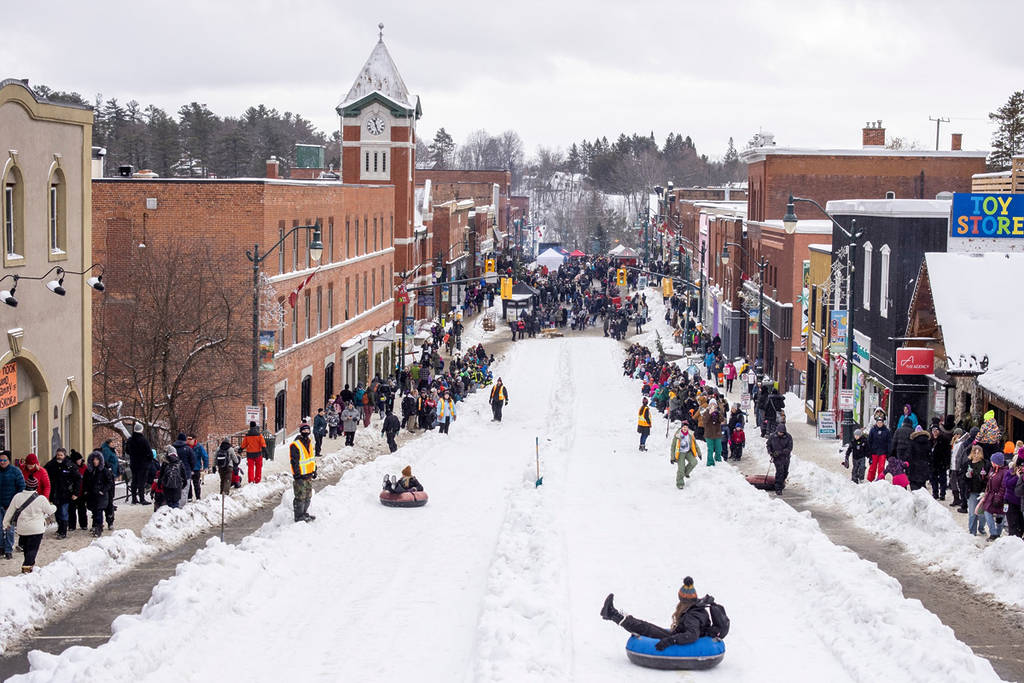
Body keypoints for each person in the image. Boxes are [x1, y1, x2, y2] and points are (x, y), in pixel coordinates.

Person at [599, 577, 729, 649]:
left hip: (678, 638)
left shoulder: (692, 615)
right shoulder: (695, 609)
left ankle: (612, 614)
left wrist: (669, 641)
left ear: (684, 601)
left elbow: (692, 635)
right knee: (647, 626)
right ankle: (613, 614)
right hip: (677, 634)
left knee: (645, 628)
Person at [3, 477, 56, 573]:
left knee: (27, 548)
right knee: (33, 549)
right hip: (36, 529)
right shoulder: (41, 499)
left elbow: (10, 512)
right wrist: (54, 506)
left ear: (25, 486)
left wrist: (6, 523)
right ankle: (27, 567)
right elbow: (50, 511)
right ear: (36, 487)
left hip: (23, 529)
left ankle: (29, 565)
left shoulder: (17, 497)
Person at [43, 448, 80, 539]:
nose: (59, 457)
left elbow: (78, 479)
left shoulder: (70, 466)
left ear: (64, 455)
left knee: (63, 512)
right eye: (58, 455)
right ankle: (60, 528)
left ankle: (63, 531)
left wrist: (76, 493)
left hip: (66, 493)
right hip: (55, 493)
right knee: (57, 512)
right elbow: (44, 473)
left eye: (61, 455)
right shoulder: (51, 465)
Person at [82, 450, 114, 537]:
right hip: (91, 495)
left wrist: (102, 491)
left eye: (97, 460)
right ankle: (96, 526)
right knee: (95, 512)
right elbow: (85, 482)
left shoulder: (104, 471)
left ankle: (98, 529)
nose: (95, 461)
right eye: (93, 460)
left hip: (101, 496)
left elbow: (109, 482)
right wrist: (86, 491)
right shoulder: (89, 471)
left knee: (99, 512)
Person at [0, 451, 25, 559]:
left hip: (10, 505)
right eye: (0, 460)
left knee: (9, 529)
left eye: (5, 460)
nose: (2, 462)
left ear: (9, 460)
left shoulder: (15, 471)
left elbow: (21, 486)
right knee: (0, 528)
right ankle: (1, 547)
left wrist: (17, 501)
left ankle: (8, 549)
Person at [290, 422, 317, 523]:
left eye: (308, 430)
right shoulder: (295, 445)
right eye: (304, 430)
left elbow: (311, 458)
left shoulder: (309, 442)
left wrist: (314, 469)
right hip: (300, 476)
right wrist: (297, 475)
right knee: (300, 497)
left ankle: (304, 513)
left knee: (307, 497)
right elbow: (294, 461)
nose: (306, 432)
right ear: (301, 431)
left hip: (308, 475)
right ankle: (298, 516)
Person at [125, 422, 152, 505]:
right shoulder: (143, 440)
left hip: (133, 463)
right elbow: (149, 452)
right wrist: (148, 460)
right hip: (142, 464)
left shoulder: (130, 440)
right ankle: (142, 499)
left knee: (134, 481)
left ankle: (134, 499)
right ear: (141, 430)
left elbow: (127, 451)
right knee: (142, 482)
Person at [982, 452, 1006, 541]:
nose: (991, 462)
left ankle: (998, 534)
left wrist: (998, 497)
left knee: (1000, 517)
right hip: (990, 496)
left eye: (992, 461)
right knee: (987, 512)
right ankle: (993, 533)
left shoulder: (1004, 472)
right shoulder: (992, 470)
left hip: (1000, 498)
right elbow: (989, 482)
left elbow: (1003, 487)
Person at [964, 445, 988, 536]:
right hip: (972, 491)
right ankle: (972, 531)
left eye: (978, 453)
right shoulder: (968, 463)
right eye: (975, 452)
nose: (976, 455)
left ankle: (981, 528)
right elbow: (963, 478)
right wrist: (967, 476)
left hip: (982, 491)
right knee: (972, 513)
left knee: (982, 514)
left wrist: (984, 485)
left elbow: (988, 478)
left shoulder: (985, 464)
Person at [159, 443, 189, 510]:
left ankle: (170, 516)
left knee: (169, 504)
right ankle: (175, 515)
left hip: (167, 487)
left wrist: (160, 485)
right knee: (176, 504)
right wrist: (182, 485)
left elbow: (161, 476)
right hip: (177, 486)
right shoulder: (179, 463)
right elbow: (184, 477)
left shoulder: (165, 463)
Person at [766, 423, 793, 495]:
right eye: (779, 432)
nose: (780, 433)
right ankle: (778, 488)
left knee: (785, 472)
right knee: (780, 472)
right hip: (777, 458)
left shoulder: (788, 437)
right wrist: (771, 452)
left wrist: (780, 452)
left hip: (785, 457)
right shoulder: (772, 436)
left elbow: (789, 448)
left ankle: (781, 483)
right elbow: (768, 445)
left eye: (782, 432)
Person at [671, 424, 700, 489]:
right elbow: (673, 447)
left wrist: (699, 453)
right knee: (681, 468)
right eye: (684, 427)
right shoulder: (677, 435)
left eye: (686, 427)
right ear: (681, 428)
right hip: (680, 453)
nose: (685, 428)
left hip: (688, 452)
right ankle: (680, 483)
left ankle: (685, 472)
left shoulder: (690, 434)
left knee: (694, 462)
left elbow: (695, 444)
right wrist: (672, 457)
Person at [930, 425, 952, 500]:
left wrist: (947, 463)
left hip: (942, 462)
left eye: (936, 430)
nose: (935, 432)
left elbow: (948, 452)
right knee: (934, 479)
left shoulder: (944, 439)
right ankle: (935, 493)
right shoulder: (930, 440)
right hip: (933, 463)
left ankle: (942, 494)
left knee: (942, 479)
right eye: (933, 431)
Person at [906, 426, 932, 491]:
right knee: (922, 485)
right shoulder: (927, 442)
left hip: (914, 467)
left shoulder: (912, 442)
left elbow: (909, 455)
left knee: (914, 485)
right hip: (924, 466)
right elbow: (930, 455)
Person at [186, 433, 208, 501]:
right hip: (188, 468)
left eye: (190, 439)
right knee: (188, 483)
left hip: (196, 467)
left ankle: (198, 497)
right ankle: (189, 497)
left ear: (194, 439)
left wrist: (205, 466)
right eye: (187, 439)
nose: (188, 441)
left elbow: (205, 456)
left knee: (196, 483)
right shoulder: (186, 447)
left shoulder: (199, 447)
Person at [701, 401, 723, 465]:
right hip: (709, 434)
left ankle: (718, 460)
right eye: (711, 404)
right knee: (710, 449)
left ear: (716, 405)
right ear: (709, 405)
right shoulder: (706, 412)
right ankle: (710, 462)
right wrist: (709, 413)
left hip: (717, 433)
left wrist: (719, 414)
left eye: (714, 404)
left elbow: (722, 420)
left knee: (719, 448)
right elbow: (704, 421)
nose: (713, 405)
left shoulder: (718, 412)